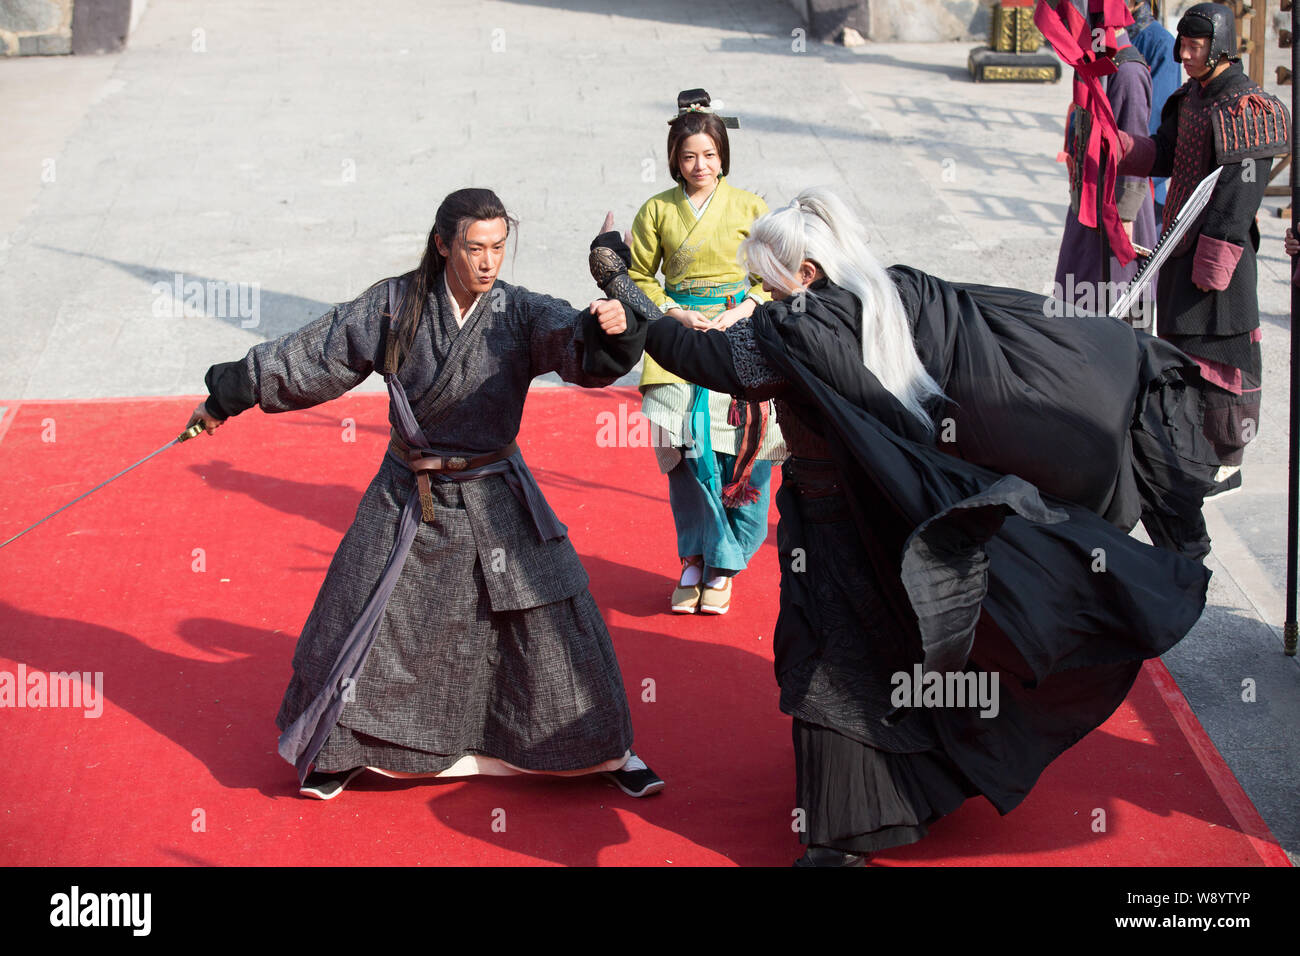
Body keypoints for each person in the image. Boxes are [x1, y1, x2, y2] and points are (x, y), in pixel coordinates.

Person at [589, 187, 1211, 865]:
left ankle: (841, 839)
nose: (758, 296)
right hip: (900, 511)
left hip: (838, 524)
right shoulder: (902, 293)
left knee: (834, 664)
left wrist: (620, 280)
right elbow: (1003, 324)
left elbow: (706, 358)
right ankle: (906, 796)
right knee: (895, 655)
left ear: (806, 274)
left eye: (765, 284)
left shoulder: (792, 329)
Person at [186, 188, 664, 801]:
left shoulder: (518, 312)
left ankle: (599, 751)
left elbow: (580, 352)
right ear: (442, 245)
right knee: (364, 613)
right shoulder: (394, 306)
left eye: (498, 247)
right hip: (409, 489)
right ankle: (343, 749)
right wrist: (228, 393)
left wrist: (613, 327)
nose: (489, 262)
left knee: (554, 618)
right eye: (474, 248)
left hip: (496, 491)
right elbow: (315, 354)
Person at [1115, 2, 1289, 497]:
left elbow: (1240, 195)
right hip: (1179, 248)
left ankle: (1226, 462)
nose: (1183, 56)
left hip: (1220, 262)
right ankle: (1189, 455)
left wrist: (1213, 261)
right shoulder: (1192, 98)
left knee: (1220, 360)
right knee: (1181, 355)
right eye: (1183, 45)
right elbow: (1166, 153)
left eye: (1194, 48)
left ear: (1220, 48)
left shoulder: (1247, 110)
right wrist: (1118, 147)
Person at [628, 89, 785, 616]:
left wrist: (747, 308)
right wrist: (672, 312)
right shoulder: (655, 210)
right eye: (690, 155)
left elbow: (777, 275)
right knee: (684, 454)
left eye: (711, 155)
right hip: (677, 341)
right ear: (675, 157)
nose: (701, 165)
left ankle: (724, 561)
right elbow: (634, 278)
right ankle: (695, 559)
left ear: (724, 157)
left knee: (741, 452)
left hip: (740, 332)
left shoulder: (750, 207)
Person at [1054, 23, 1158, 323]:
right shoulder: (1094, 63)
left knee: (1119, 313)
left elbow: (1133, 146)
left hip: (1117, 215)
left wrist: (1125, 217)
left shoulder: (1127, 72)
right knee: (1074, 307)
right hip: (1088, 204)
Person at [1126, 1, 1180, 222]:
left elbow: (1157, 125)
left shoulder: (1160, 43)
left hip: (1138, 181)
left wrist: (1131, 178)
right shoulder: (1102, 36)